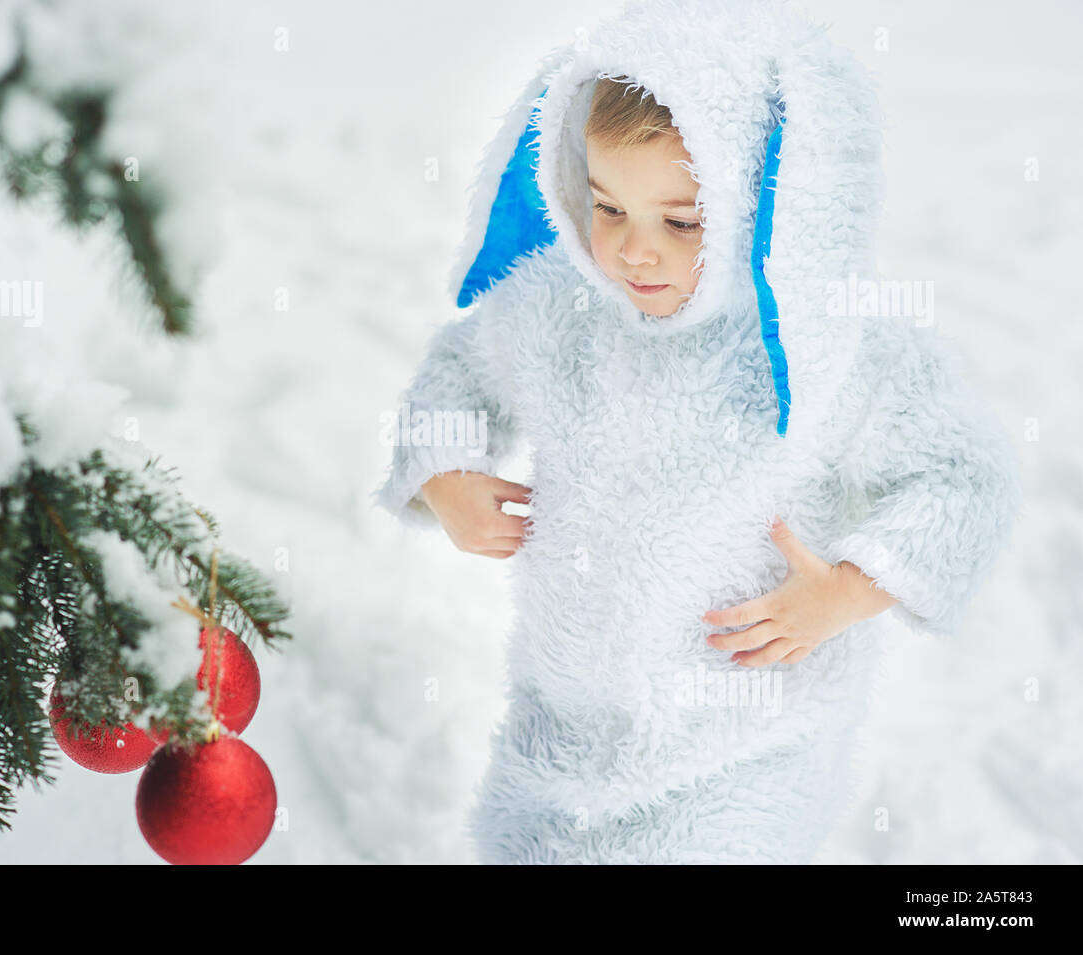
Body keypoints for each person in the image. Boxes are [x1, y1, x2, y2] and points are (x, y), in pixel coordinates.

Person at [372, 0, 1022, 863]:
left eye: (680, 220)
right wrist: (444, 476)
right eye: (605, 207)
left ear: (771, 206)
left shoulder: (830, 346)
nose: (633, 252)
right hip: (556, 744)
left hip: (744, 750)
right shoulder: (558, 309)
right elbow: (458, 369)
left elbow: (964, 477)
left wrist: (846, 592)